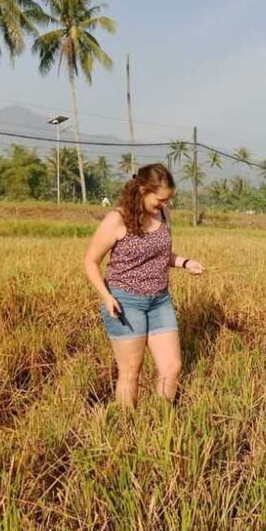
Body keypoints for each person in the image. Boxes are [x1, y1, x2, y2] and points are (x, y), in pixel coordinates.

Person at [84, 164, 204, 407]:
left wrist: (186, 262)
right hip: (126, 302)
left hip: (159, 301)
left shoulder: (163, 215)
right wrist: (107, 297)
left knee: (172, 367)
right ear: (142, 190)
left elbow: (162, 255)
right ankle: (127, 429)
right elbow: (90, 262)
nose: (164, 205)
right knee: (131, 371)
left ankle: (160, 421)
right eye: (160, 199)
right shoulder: (117, 219)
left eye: (168, 200)